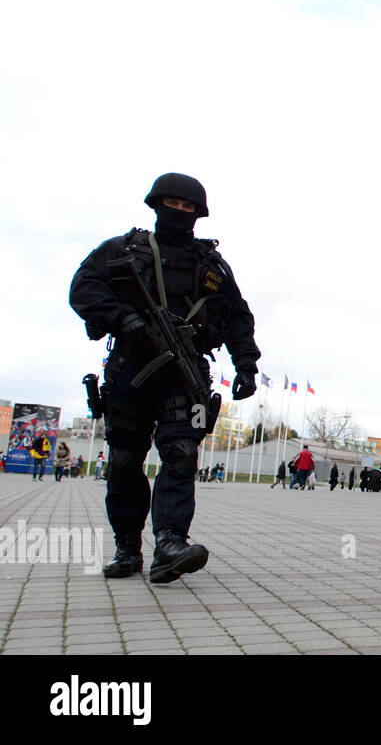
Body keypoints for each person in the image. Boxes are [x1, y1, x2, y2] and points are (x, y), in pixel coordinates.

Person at [69, 172, 261, 582]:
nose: (180, 212)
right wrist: (126, 319)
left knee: (181, 456)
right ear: (156, 205)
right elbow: (82, 288)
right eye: (172, 204)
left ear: (199, 214)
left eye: (188, 207)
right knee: (123, 462)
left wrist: (246, 364)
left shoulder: (211, 266)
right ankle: (127, 546)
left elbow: (238, 316)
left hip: (184, 374)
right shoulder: (123, 250)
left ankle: (170, 543)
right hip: (130, 370)